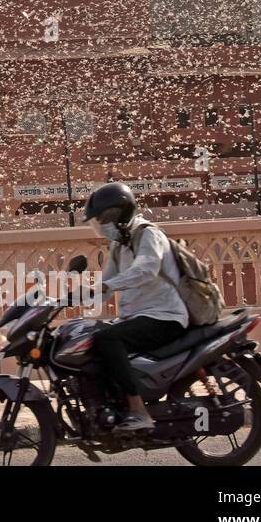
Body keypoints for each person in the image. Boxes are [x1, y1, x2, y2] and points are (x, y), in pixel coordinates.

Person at [83, 182, 187, 432]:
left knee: (109, 339)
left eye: (104, 219)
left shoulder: (148, 234)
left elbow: (146, 270)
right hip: (137, 317)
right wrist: (67, 300)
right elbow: (105, 285)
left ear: (120, 214)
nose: (102, 226)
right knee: (89, 338)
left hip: (165, 316)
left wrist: (105, 287)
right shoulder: (119, 245)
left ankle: (139, 412)